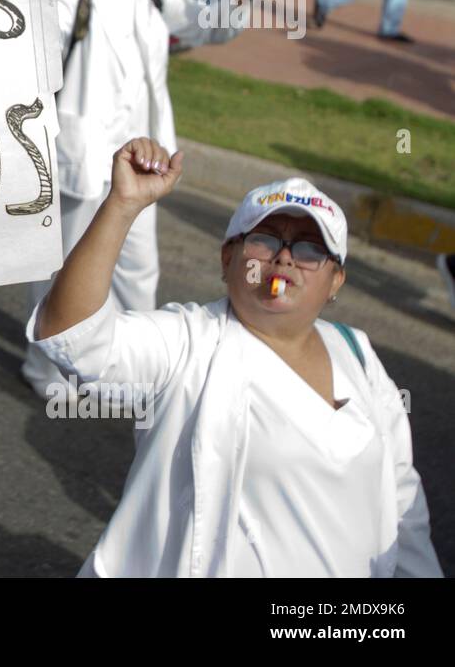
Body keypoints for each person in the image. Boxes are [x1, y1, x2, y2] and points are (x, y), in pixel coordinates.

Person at [28, 145, 442, 577]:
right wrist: (122, 206)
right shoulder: (191, 341)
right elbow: (71, 335)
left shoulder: (357, 353)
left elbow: (401, 497)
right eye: (264, 241)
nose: (284, 258)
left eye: (309, 250)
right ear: (229, 259)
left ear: (335, 280)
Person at [20, 0, 267, 398]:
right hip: (87, 161)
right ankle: (46, 368)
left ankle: (131, 371)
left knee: (139, 271)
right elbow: (35, 48)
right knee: (69, 264)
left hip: (143, 166)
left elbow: (204, 24)